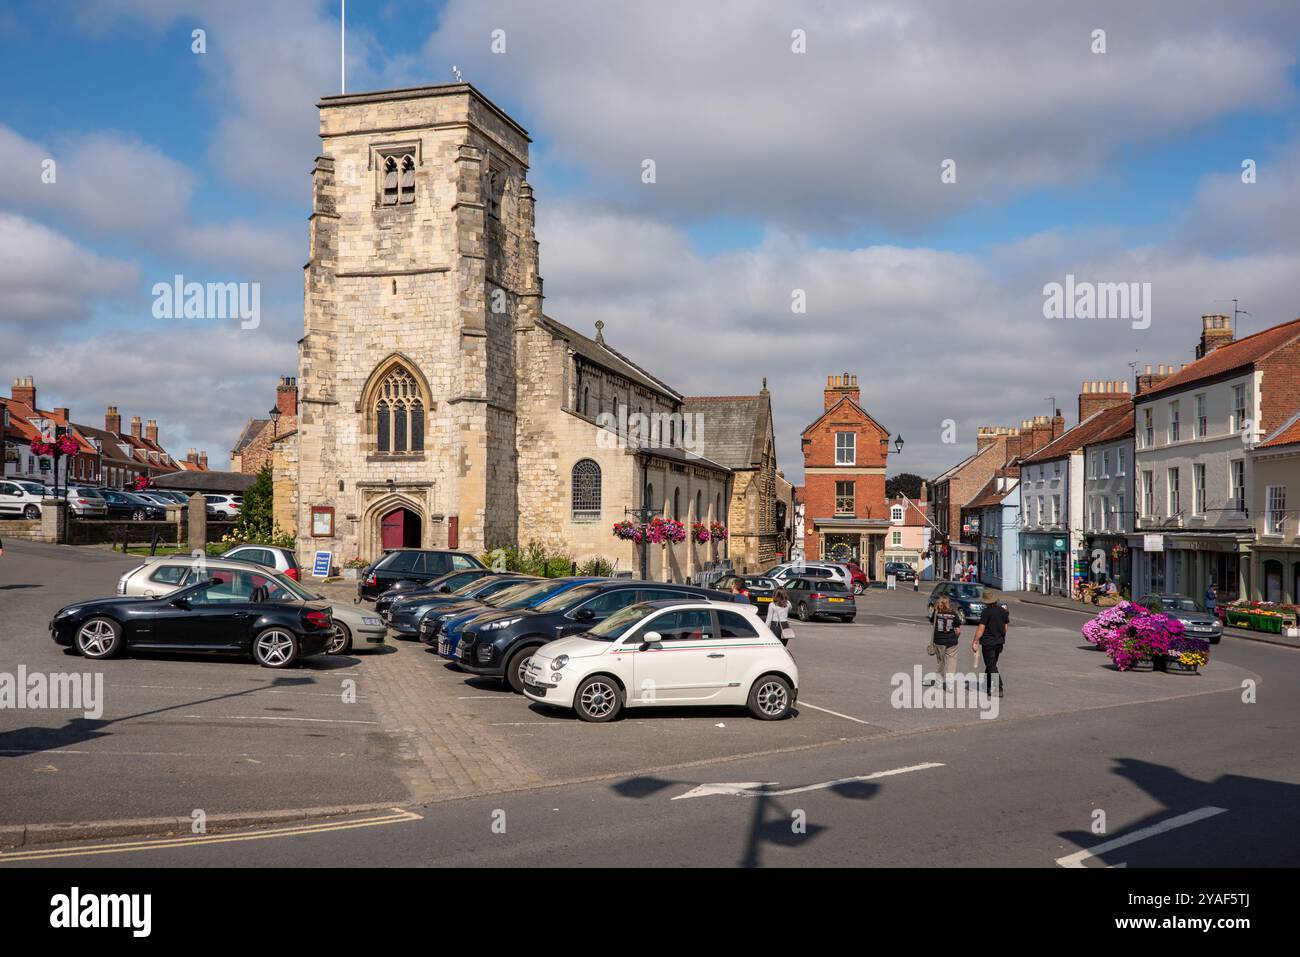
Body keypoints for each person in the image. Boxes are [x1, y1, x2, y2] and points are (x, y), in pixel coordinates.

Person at [974, 590, 1009, 697]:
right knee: (991, 664)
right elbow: (1005, 627)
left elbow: (981, 628)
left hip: (988, 642)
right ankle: (988, 686)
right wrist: (1000, 635)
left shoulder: (986, 612)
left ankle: (999, 686)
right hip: (999, 642)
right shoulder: (1003, 611)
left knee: (991, 664)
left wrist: (975, 640)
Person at [930, 596, 961, 687]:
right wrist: (956, 637)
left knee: (940, 662)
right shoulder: (954, 614)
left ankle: (938, 683)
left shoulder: (936, 613)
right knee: (951, 662)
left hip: (939, 641)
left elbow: (932, 624)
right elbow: (958, 630)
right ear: (948, 603)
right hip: (951, 641)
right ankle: (950, 685)